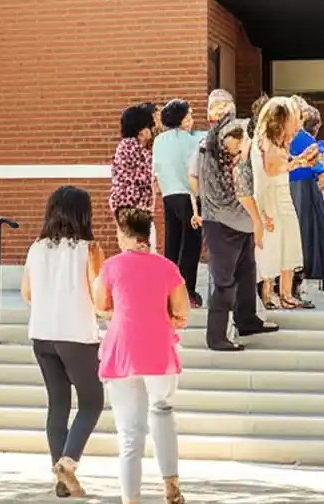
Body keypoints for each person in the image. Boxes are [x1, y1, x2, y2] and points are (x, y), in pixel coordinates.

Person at [93, 208, 190, 504]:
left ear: (124, 234)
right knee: (161, 412)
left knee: (129, 433)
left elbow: (100, 304)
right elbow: (182, 311)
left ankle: (130, 498)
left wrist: (117, 313)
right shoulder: (167, 267)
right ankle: (170, 483)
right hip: (159, 349)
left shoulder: (111, 267)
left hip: (122, 349)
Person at [20, 186, 105, 498]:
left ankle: (61, 479)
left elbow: (26, 293)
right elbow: (99, 294)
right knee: (92, 402)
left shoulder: (36, 248)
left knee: (58, 404)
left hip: (42, 334)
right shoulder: (89, 249)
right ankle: (67, 464)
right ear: (83, 214)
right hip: (77, 335)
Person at [191, 90, 278, 351]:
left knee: (246, 271)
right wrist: (207, 204)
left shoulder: (239, 140)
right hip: (220, 220)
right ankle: (216, 336)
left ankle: (247, 319)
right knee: (223, 280)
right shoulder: (209, 143)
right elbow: (194, 179)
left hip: (241, 219)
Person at [252, 96, 313, 309]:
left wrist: (300, 161)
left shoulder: (280, 143)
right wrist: (298, 161)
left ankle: (286, 292)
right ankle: (268, 292)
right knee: (272, 244)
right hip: (270, 196)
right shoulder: (266, 143)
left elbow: (282, 167)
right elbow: (269, 171)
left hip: (283, 194)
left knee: (290, 242)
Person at [153, 99, 204, 308]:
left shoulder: (159, 140)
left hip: (168, 195)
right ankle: (187, 292)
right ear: (180, 119)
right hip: (189, 196)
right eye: (189, 116)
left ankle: (168, 291)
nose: (191, 120)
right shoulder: (190, 140)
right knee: (190, 246)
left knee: (172, 244)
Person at [288, 101, 324, 303]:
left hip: (288, 188)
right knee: (306, 237)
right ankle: (297, 283)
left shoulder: (287, 138)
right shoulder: (312, 143)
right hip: (305, 190)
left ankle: (289, 285)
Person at [110, 102, 157, 249]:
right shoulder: (130, 146)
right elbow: (144, 174)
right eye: (150, 126)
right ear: (141, 130)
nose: (152, 130)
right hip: (130, 206)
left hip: (136, 206)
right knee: (137, 246)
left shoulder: (139, 147)